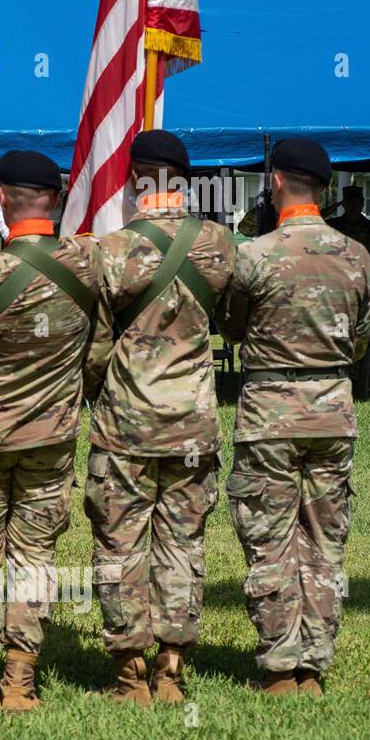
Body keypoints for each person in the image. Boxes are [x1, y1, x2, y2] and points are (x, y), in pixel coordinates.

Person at [0, 150, 107, 712]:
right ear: (57, 199)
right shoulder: (87, 266)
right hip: (51, 439)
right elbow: (96, 348)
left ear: (0, 199)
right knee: (35, 554)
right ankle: (21, 681)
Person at [218, 138, 370, 696]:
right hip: (333, 414)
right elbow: (361, 341)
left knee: (271, 537)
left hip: (270, 415)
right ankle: (315, 660)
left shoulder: (255, 256)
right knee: (324, 538)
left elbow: (234, 329)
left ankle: (281, 664)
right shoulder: (358, 257)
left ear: (278, 181)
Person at [85, 130, 236, 705]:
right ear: (185, 181)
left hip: (126, 423)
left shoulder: (112, 250)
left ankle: (129, 675)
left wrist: (99, 384)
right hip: (194, 424)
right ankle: (171, 669)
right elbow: (233, 316)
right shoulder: (221, 245)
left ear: (133, 181)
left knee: (120, 545)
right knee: (183, 542)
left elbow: (96, 344)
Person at [324, 185, 370, 290]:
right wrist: (335, 206)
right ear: (343, 205)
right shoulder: (332, 226)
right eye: (350, 202)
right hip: (336, 289)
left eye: (357, 202)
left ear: (362, 203)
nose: (354, 206)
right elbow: (310, 221)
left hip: (363, 289)